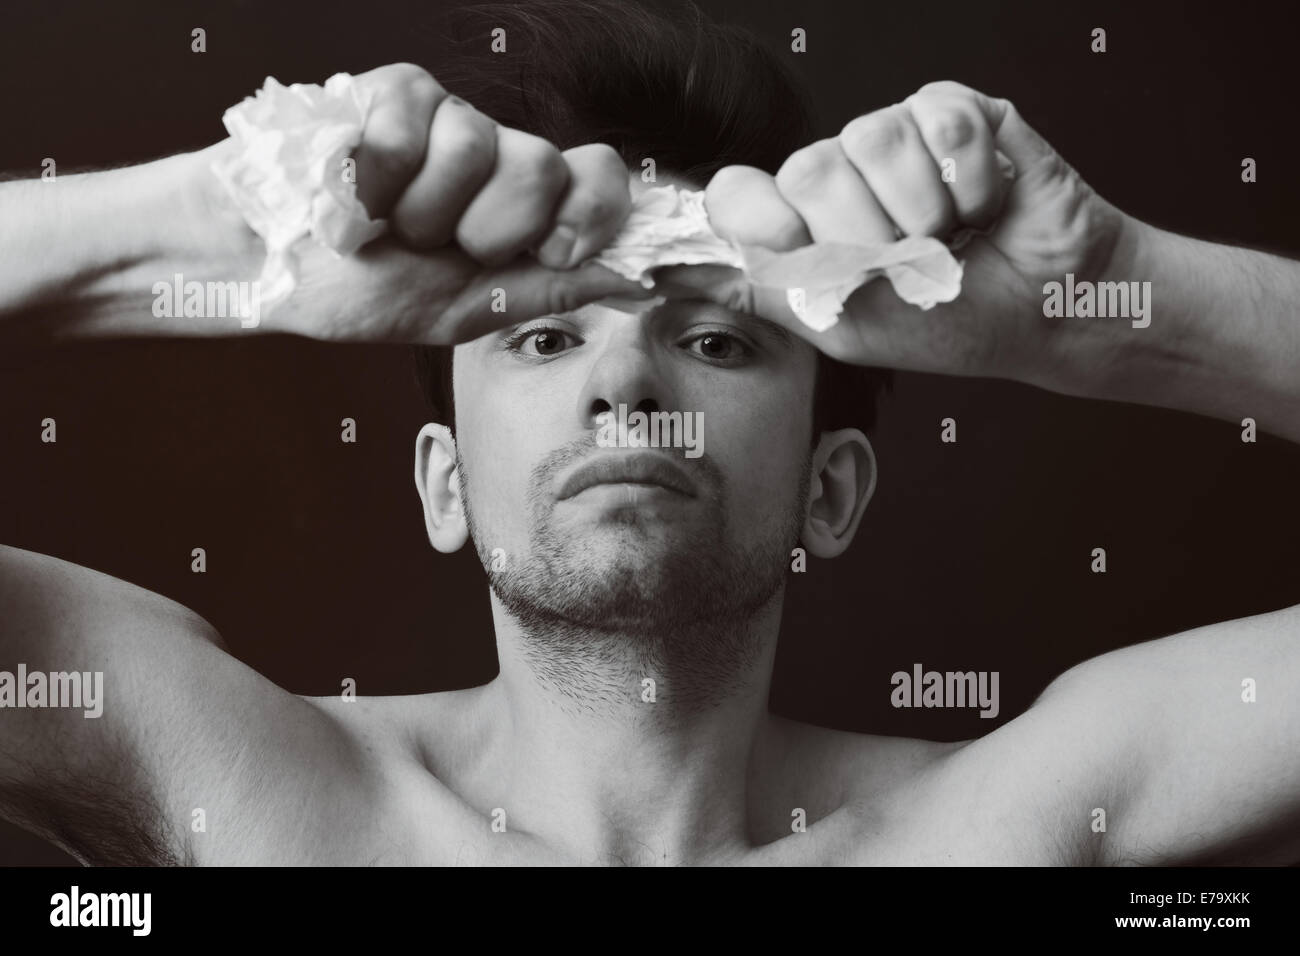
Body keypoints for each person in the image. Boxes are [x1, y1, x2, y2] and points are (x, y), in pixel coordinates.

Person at [2, 0, 1298, 866]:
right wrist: (217, 237)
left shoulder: (1005, 828)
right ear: (442, 484)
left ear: (830, 492)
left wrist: (1120, 306)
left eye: (718, 341)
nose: (628, 385)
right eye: (545, 339)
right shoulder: (247, 790)